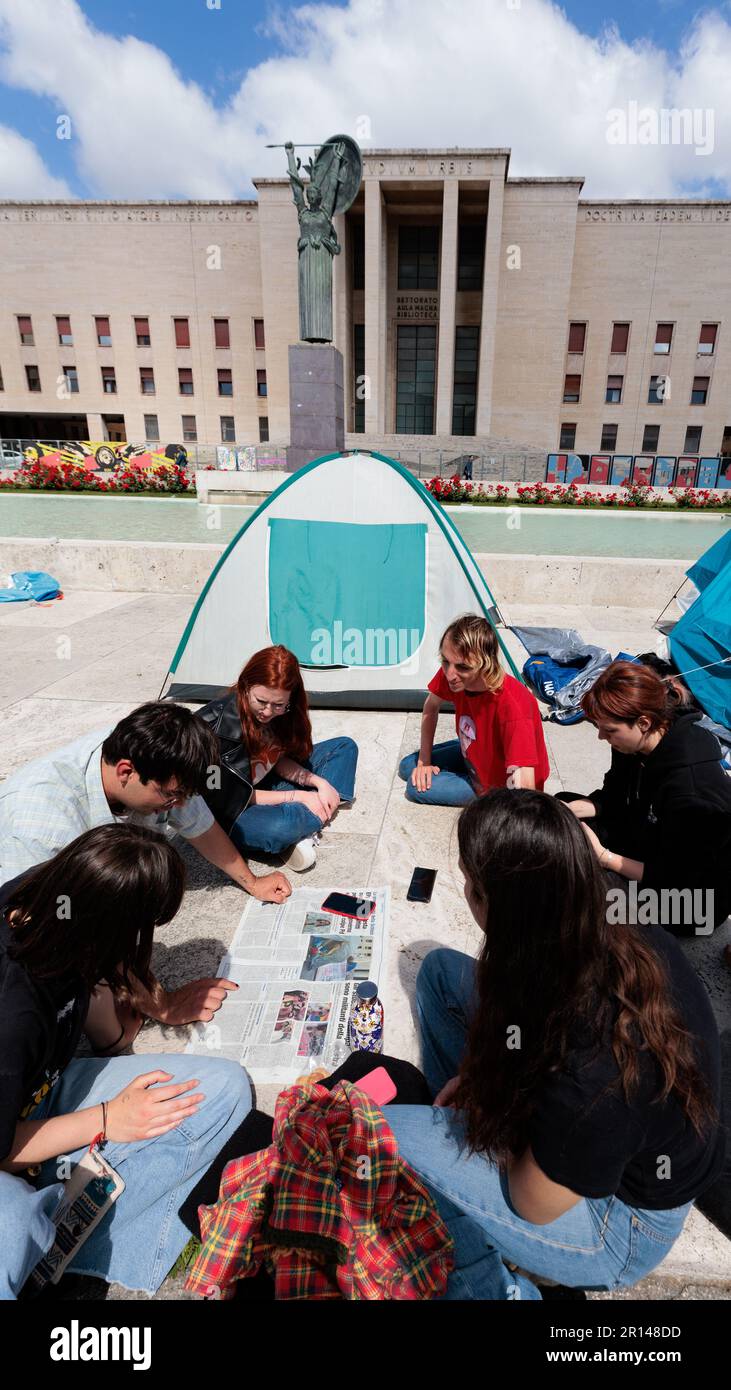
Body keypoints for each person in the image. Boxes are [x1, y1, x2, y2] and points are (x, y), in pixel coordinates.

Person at [384, 790, 725, 1297]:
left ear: (501, 907)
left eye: (470, 884)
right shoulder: (588, 902)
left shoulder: (596, 1068)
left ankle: (492, 1274)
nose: (463, 891)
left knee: (379, 1135)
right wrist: (481, 1074)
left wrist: (492, 1112)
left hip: (616, 1224)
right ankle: (465, 1191)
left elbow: (534, 1203)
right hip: (598, 1121)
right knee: (439, 974)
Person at [0, 825, 252, 1300]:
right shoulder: (14, 1016)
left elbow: (109, 995)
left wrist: (160, 1008)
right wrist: (107, 1119)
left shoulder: (55, 896)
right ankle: (45, 1239)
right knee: (13, 1225)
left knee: (223, 1088)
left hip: (39, 1094)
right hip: (8, 1140)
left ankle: (61, 1236)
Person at [0, 702, 291, 1035]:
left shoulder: (156, 761)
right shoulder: (42, 824)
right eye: (172, 796)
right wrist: (159, 1004)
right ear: (125, 772)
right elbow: (51, 928)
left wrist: (252, 882)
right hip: (32, 921)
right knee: (112, 1030)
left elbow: (199, 823)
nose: (179, 805)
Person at [561, 660, 731, 932]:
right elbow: (615, 795)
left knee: (593, 896)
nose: (602, 737)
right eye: (599, 728)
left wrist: (605, 857)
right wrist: (566, 811)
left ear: (643, 722)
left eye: (610, 730)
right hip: (652, 839)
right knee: (562, 817)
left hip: (693, 902)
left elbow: (676, 877)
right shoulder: (634, 744)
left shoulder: (691, 791)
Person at [201, 645, 358, 871]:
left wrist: (317, 782)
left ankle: (310, 816)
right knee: (279, 828)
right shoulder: (212, 730)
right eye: (261, 701)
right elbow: (220, 797)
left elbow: (274, 759)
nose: (267, 712)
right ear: (245, 686)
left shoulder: (285, 714)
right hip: (235, 809)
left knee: (344, 747)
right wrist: (299, 796)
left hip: (269, 784)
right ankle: (313, 814)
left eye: (278, 705)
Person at [399, 614, 549, 806]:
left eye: (462, 667)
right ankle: (454, 768)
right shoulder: (455, 672)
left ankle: (467, 783)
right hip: (474, 749)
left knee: (414, 788)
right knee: (408, 766)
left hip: (494, 785)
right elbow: (431, 706)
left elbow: (527, 788)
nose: (450, 674)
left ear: (485, 663)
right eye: (445, 661)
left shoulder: (513, 706)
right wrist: (424, 763)